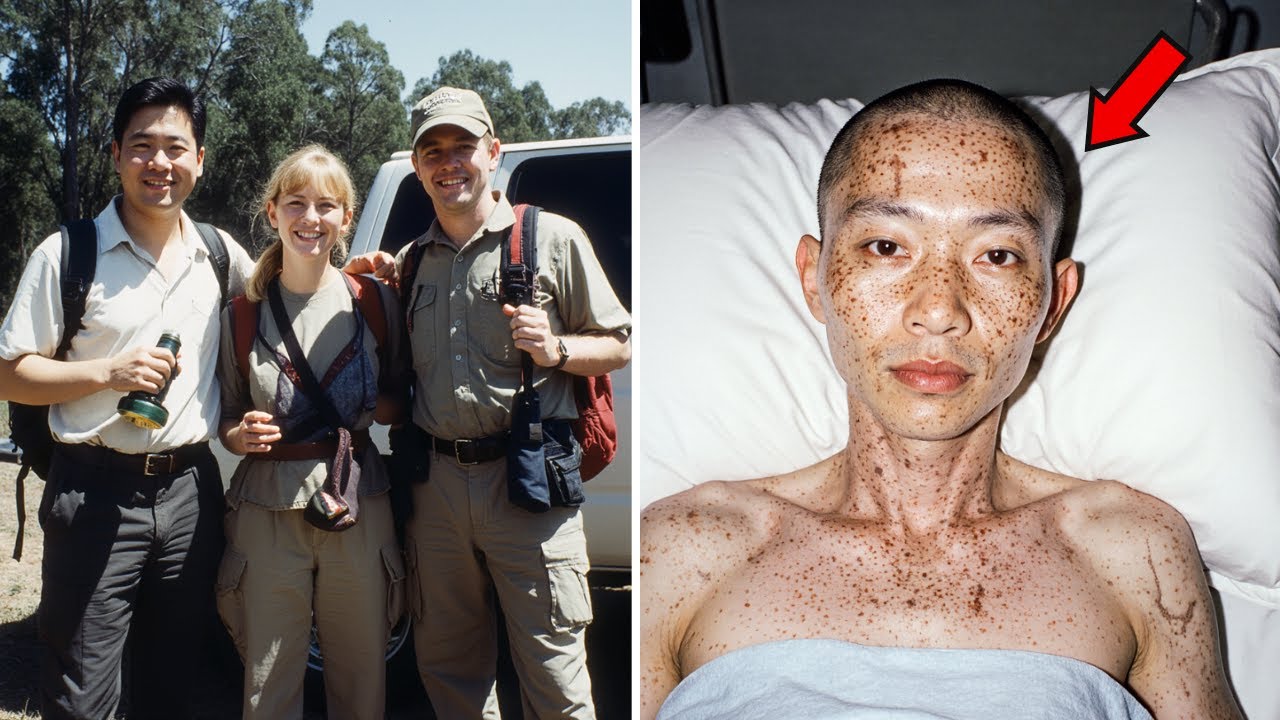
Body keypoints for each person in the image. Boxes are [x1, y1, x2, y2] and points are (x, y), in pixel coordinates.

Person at [640, 79, 1242, 720]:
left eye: (998, 256)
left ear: (1053, 304)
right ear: (815, 281)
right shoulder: (686, 548)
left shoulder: (1131, 550)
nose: (938, 310)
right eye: (885, 246)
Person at [347, 86, 632, 719]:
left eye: (463, 147)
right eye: (433, 151)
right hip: (437, 490)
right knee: (451, 672)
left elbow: (618, 343)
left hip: (527, 484)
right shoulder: (412, 262)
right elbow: (387, 368)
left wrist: (555, 348)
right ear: (418, 169)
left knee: (556, 680)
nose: (450, 163)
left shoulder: (551, 239)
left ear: (494, 152)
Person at [0, 77, 253, 720]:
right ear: (115, 154)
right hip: (93, 489)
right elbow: (9, 372)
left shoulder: (220, 255)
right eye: (142, 146)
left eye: (176, 146)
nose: (159, 163)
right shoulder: (69, 253)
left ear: (201, 159)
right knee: (81, 692)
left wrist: (359, 274)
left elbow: (288, 292)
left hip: (191, 492)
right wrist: (107, 373)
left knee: (172, 682)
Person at [213, 144, 406, 719]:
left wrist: (373, 405)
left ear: (346, 218)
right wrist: (237, 435)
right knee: (268, 681)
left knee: (361, 674)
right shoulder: (241, 314)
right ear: (272, 212)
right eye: (296, 202)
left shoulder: (375, 302)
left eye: (327, 205)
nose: (311, 218)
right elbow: (224, 414)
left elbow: (402, 396)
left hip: (358, 502)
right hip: (266, 511)